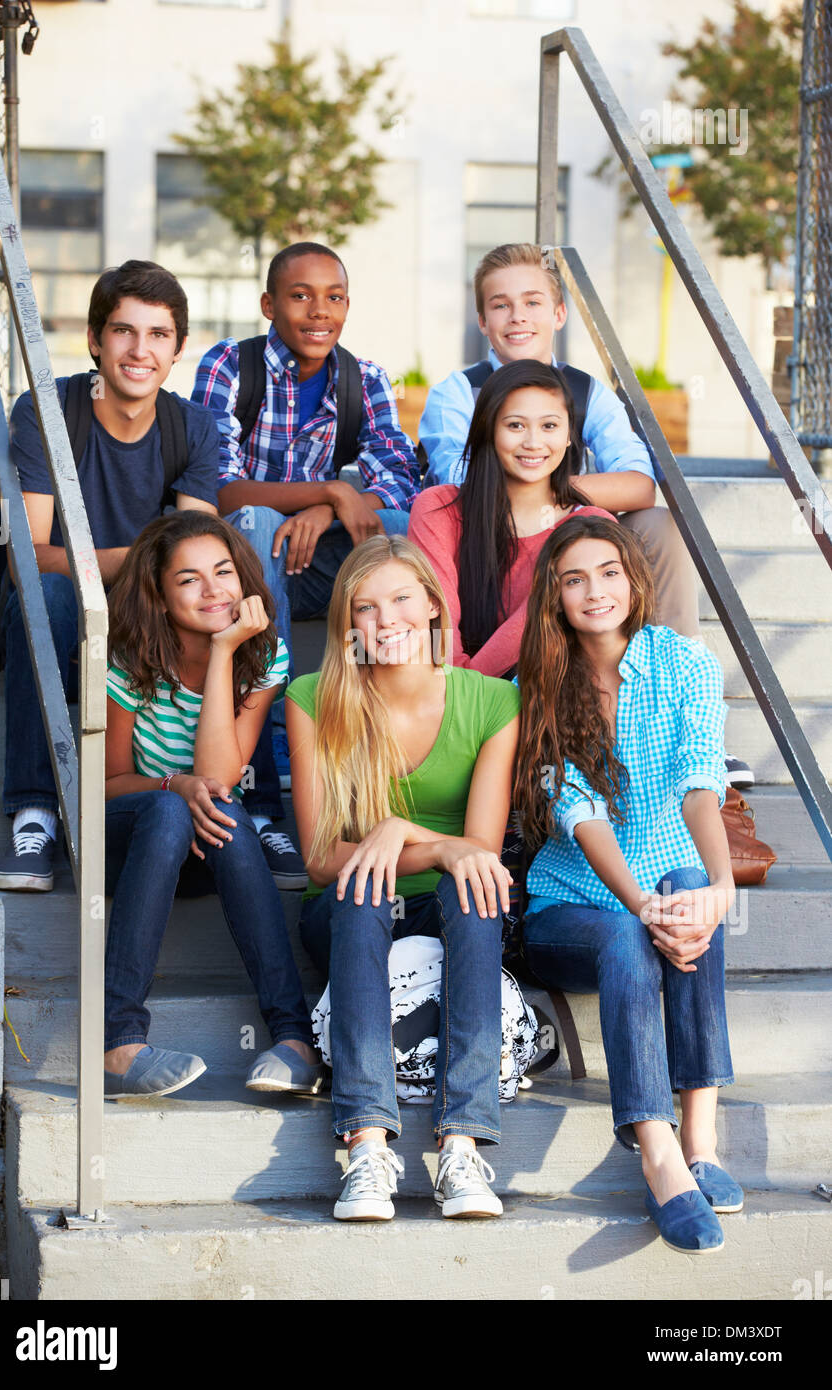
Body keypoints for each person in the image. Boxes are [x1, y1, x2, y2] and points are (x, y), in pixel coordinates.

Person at [419, 242, 753, 788]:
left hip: (561, 540)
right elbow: (464, 486)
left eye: (532, 302)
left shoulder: (585, 393)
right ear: (482, 320)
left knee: (658, 527)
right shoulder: (459, 393)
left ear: (558, 314)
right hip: (484, 549)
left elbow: (639, 482)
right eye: (500, 305)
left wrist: (548, 484)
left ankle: (682, 717)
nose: (517, 316)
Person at [514, 513, 742, 1253]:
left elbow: (699, 781)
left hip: (665, 886)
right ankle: (658, 1152)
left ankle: (702, 1140)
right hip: (571, 906)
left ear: (634, 579)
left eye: (609, 572)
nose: (595, 591)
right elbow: (574, 811)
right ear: (554, 596)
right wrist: (639, 904)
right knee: (630, 928)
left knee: (690, 896)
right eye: (574, 579)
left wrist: (718, 886)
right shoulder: (538, 682)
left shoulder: (685, 663)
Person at [286, 535, 520, 1221]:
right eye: (365, 608)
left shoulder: (492, 702)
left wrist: (402, 831)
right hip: (346, 908)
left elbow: (478, 851)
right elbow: (323, 858)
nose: (385, 621)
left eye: (400, 599)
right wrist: (414, 846)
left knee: (476, 892)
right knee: (362, 890)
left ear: (432, 605)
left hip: (448, 904)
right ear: (347, 623)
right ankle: (365, 1145)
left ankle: (463, 1142)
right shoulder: (313, 697)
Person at [192, 242, 420, 881]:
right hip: (245, 563)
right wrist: (328, 490)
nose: (320, 311)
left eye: (335, 296)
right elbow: (221, 488)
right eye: (300, 295)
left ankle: (400, 751)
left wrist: (329, 508)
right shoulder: (230, 367)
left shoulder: (363, 376)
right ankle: (264, 795)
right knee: (257, 523)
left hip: (313, 559)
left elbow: (399, 473)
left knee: (409, 529)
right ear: (269, 304)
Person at [0, 260, 219, 895]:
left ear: (177, 349)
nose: (139, 350)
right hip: (58, 624)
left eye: (158, 335)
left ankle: (243, 802)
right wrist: (147, 553)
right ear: (95, 339)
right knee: (53, 593)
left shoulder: (192, 427)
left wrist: (156, 566)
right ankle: (34, 810)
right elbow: (27, 556)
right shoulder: (49, 410)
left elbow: (197, 565)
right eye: (123, 331)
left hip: (140, 629)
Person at [103, 511, 320, 1100]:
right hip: (128, 837)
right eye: (189, 579)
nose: (213, 590)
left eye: (223, 571)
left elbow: (222, 777)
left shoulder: (262, 654)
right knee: (177, 809)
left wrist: (225, 653)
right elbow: (105, 785)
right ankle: (120, 1042)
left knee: (223, 809)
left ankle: (294, 1041)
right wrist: (173, 787)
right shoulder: (126, 657)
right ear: (158, 592)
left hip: (205, 840)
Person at [409, 359, 613, 677]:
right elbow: (436, 622)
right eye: (515, 425)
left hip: (549, 695)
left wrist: (468, 689)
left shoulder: (590, 527)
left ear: (570, 435)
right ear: (488, 430)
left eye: (549, 426)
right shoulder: (438, 508)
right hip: (445, 691)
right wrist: (461, 692)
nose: (533, 443)